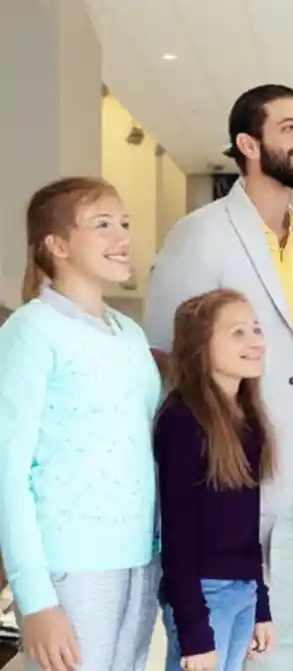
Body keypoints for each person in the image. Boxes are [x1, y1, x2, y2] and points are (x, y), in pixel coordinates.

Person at [146, 84, 293, 671]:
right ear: (248, 144)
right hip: (230, 459)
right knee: (215, 622)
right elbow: (164, 350)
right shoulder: (200, 234)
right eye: (288, 128)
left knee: (281, 636)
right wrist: (214, 438)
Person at [0, 177, 163, 671]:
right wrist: (36, 599)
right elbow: (8, 473)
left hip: (141, 558)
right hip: (70, 567)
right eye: (103, 225)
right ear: (57, 244)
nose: (122, 237)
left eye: (125, 224)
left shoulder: (130, 334)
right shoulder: (30, 331)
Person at [155, 290, 277, 671]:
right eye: (237, 332)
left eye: (256, 329)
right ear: (200, 346)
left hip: (241, 591)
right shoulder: (182, 421)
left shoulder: (248, 421)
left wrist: (260, 606)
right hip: (204, 596)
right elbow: (177, 534)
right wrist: (194, 632)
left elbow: (247, 528)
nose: (255, 341)